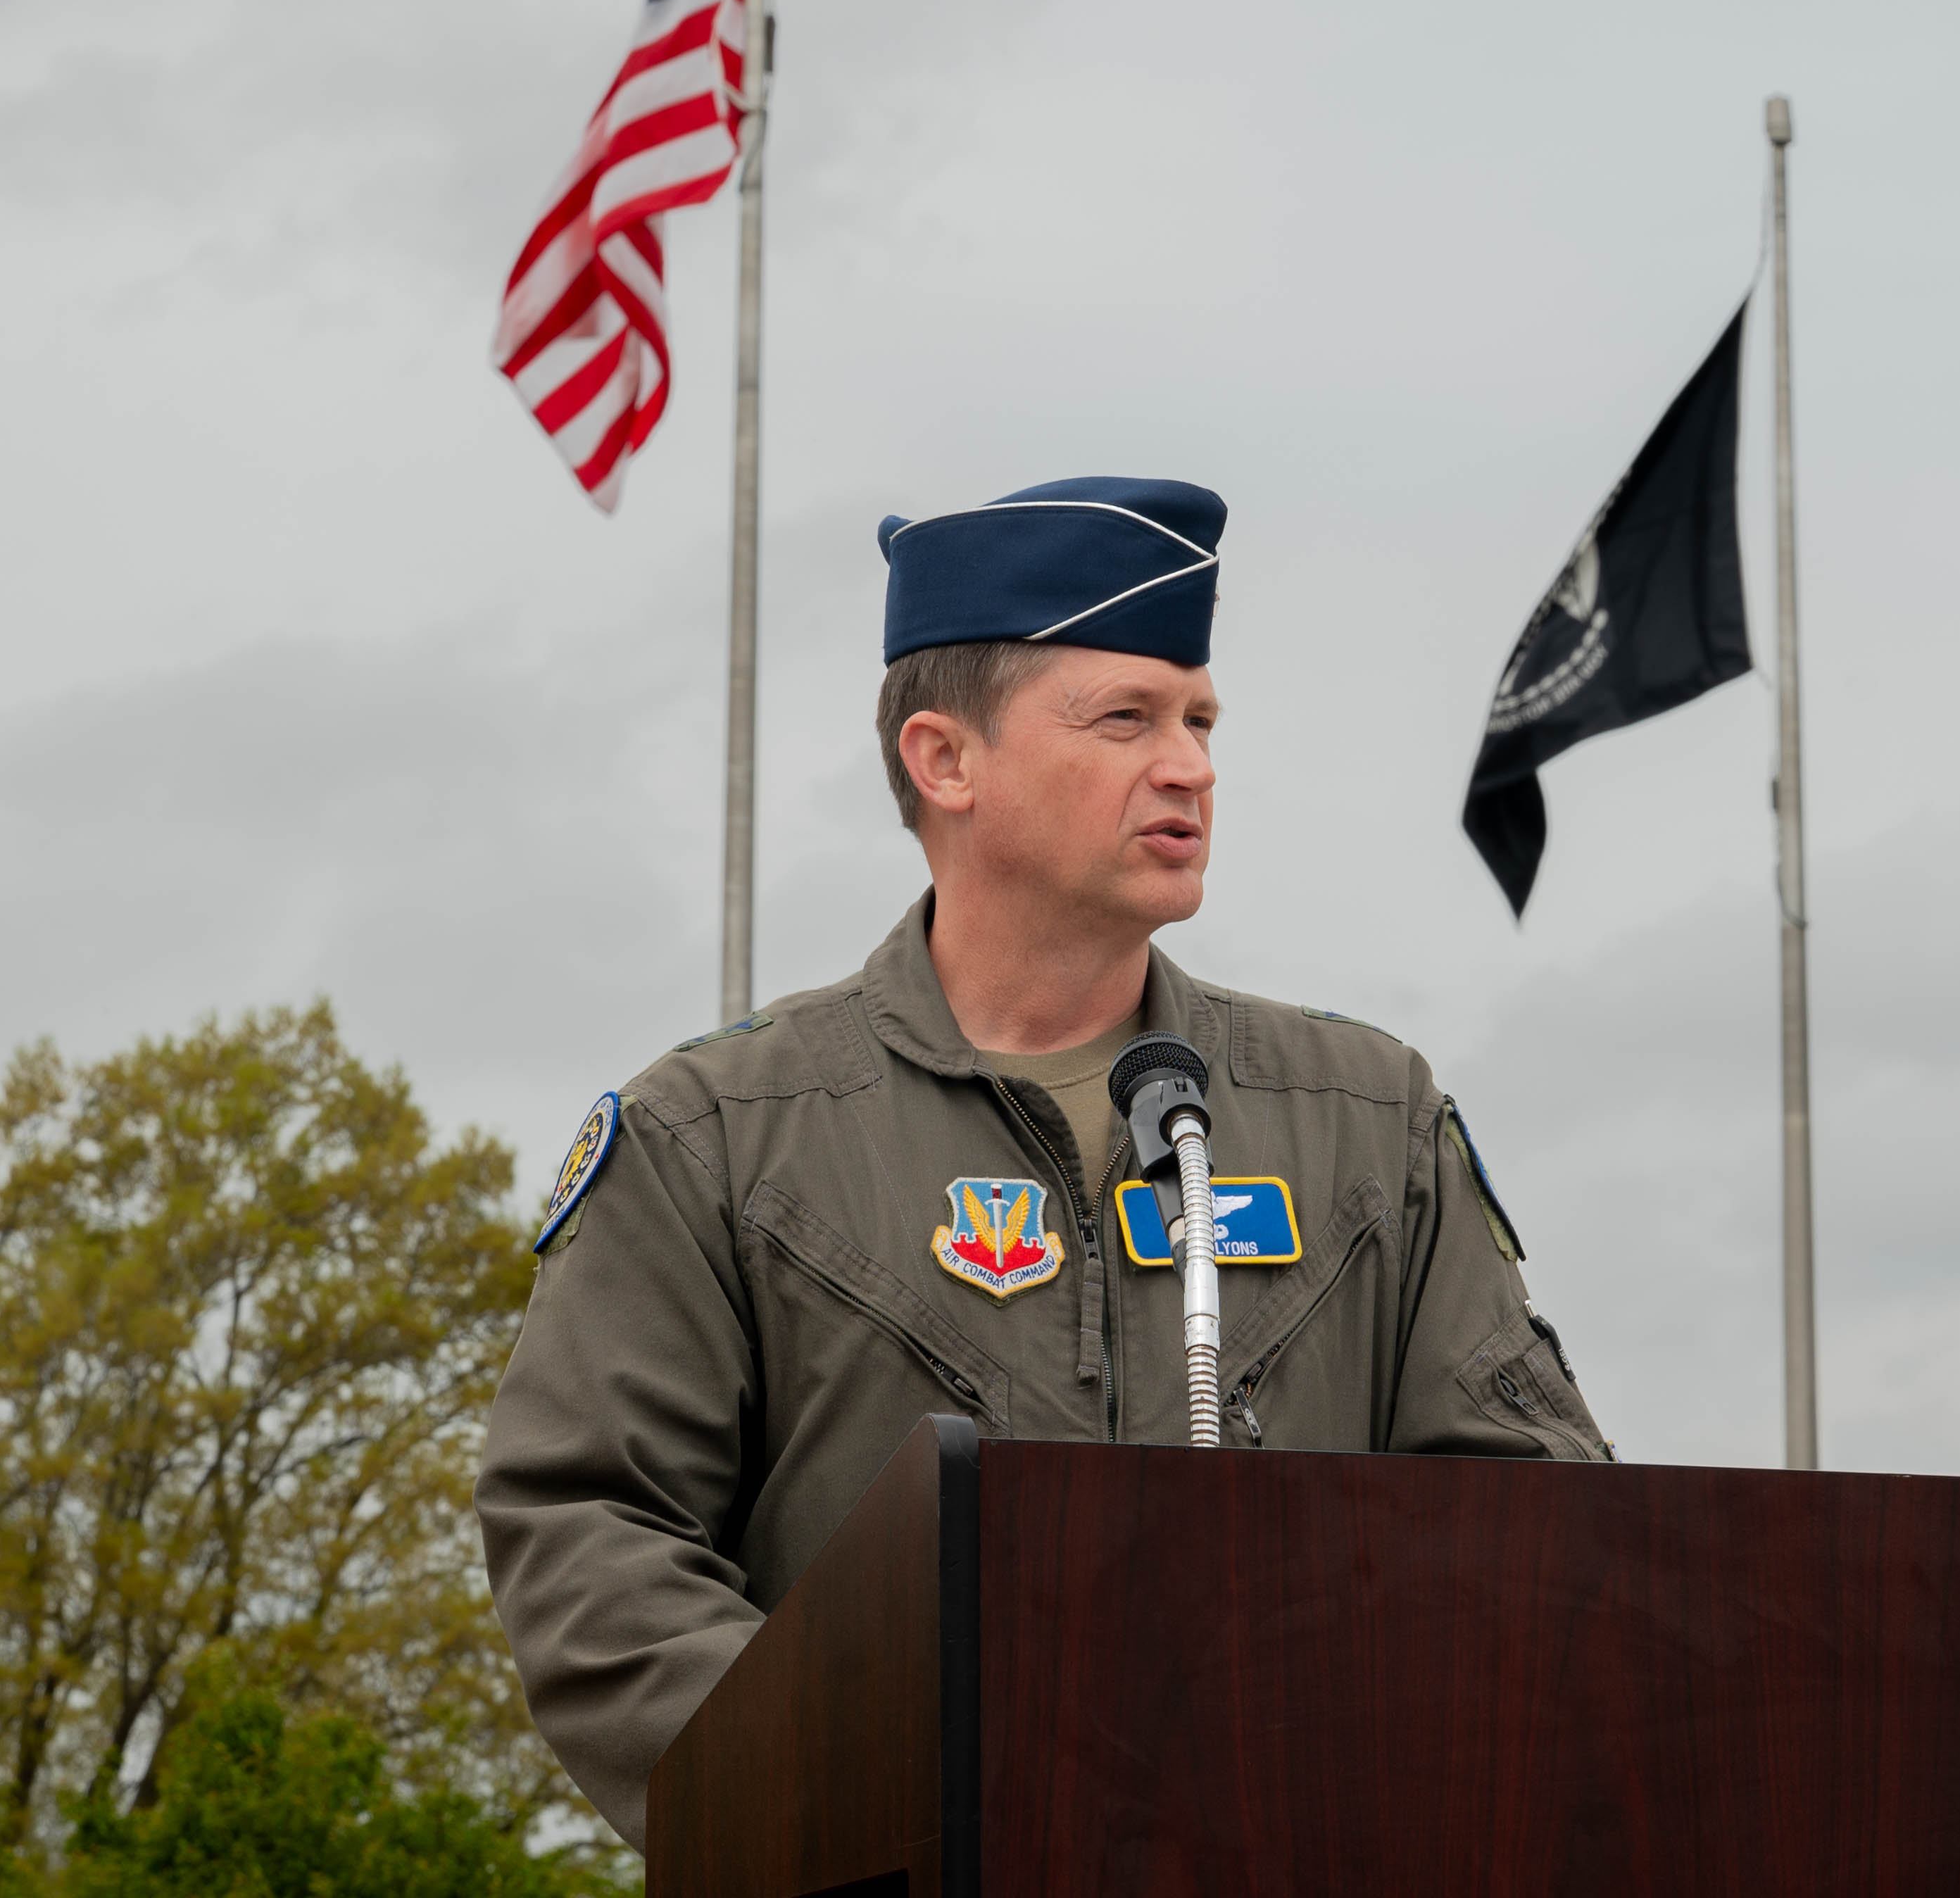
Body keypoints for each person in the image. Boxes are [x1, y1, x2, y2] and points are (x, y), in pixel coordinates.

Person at [474, 476, 1609, 1847]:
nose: (1188, 762)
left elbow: (1549, 1533)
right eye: (1125, 717)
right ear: (945, 759)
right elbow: (593, 1526)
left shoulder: (1367, 1119)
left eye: (1199, 719)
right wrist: (878, 1789)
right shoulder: (715, 1135)